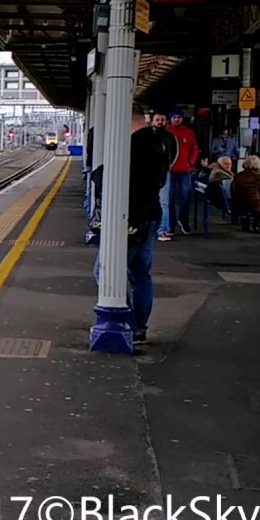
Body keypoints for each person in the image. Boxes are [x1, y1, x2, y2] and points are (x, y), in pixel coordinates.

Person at [92, 113, 171, 348]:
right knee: (141, 275)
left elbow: (109, 178)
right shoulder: (159, 142)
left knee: (103, 270)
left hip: (130, 220)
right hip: (151, 215)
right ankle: (140, 327)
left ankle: (127, 323)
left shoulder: (133, 146)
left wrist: (98, 174)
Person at [166, 108, 200, 235]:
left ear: (182, 118)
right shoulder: (166, 131)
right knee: (169, 198)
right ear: (170, 119)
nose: (176, 119)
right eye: (174, 117)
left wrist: (191, 162)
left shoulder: (189, 132)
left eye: (178, 117)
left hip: (184, 170)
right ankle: (171, 224)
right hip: (169, 170)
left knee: (186, 196)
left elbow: (194, 149)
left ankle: (183, 219)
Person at [231, 155, 260, 238]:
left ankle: (252, 224)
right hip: (254, 206)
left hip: (237, 205)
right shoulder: (259, 177)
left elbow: (232, 191)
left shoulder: (237, 175)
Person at [149, 113, 178, 242]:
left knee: (164, 202)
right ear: (152, 121)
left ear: (166, 122)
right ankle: (149, 229)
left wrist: (168, 167)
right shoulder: (146, 136)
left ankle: (162, 230)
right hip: (148, 173)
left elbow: (175, 153)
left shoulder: (170, 137)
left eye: (162, 120)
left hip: (164, 172)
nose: (160, 122)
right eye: (157, 120)